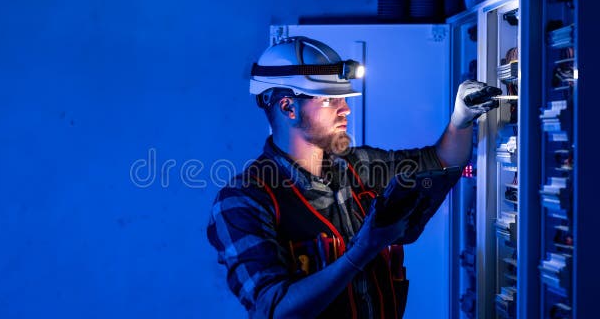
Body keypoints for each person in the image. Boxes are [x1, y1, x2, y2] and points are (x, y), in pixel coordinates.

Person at [206, 36, 497, 319]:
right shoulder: (244, 200)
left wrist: (461, 119)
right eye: (329, 100)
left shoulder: (359, 166)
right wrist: (363, 250)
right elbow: (276, 310)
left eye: (343, 98)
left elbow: (442, 161)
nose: (345, 108)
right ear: (288, 107)